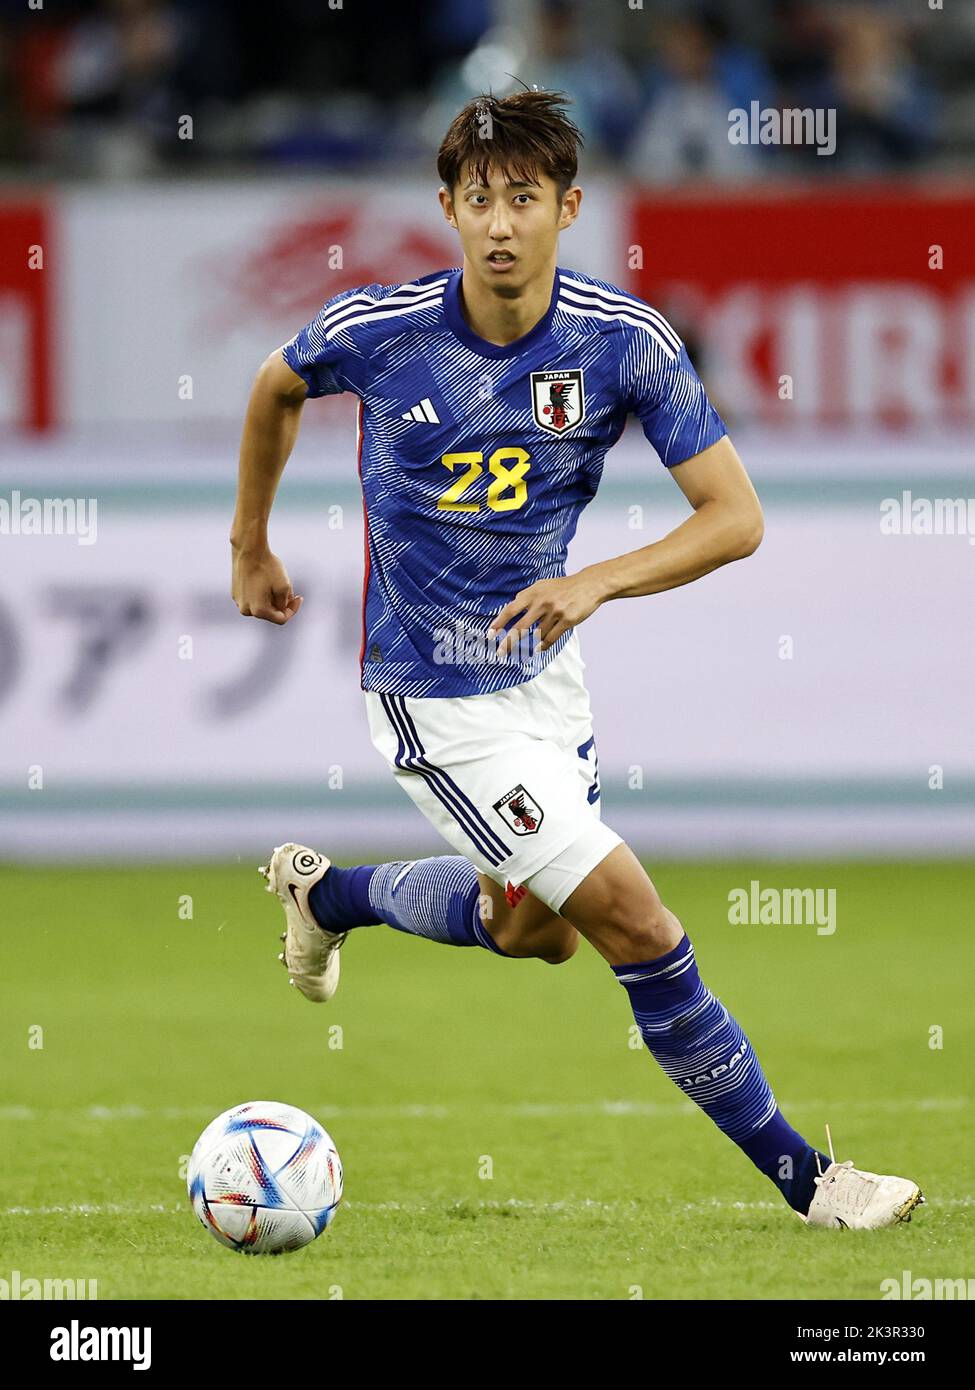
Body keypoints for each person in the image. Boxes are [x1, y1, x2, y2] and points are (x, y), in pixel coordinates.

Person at [231, 90, 921, 1231]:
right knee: (636, 923)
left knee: (532, 932)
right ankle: (813, 1181)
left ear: (569, 208)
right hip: (432, 693)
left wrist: (599, 579)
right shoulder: (384, 329)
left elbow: (734, 516)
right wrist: (249, 543)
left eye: (526, 200)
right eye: (480, 201)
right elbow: (274, 386)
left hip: (545, 683)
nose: (501, 224)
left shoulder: (622, 343)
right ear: (447, 209)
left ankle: (328, 892)